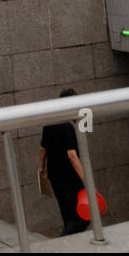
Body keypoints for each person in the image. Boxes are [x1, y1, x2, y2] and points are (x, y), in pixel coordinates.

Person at [39, 89, 88, 235]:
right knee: (81, 219)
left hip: (55, 176)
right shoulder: (67, 126)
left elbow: (42, 149)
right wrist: (86, 179)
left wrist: (42, 168)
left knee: (67, 216)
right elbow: (72, 155)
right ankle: (61, 242)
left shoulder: (49, 123)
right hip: (70, 177)